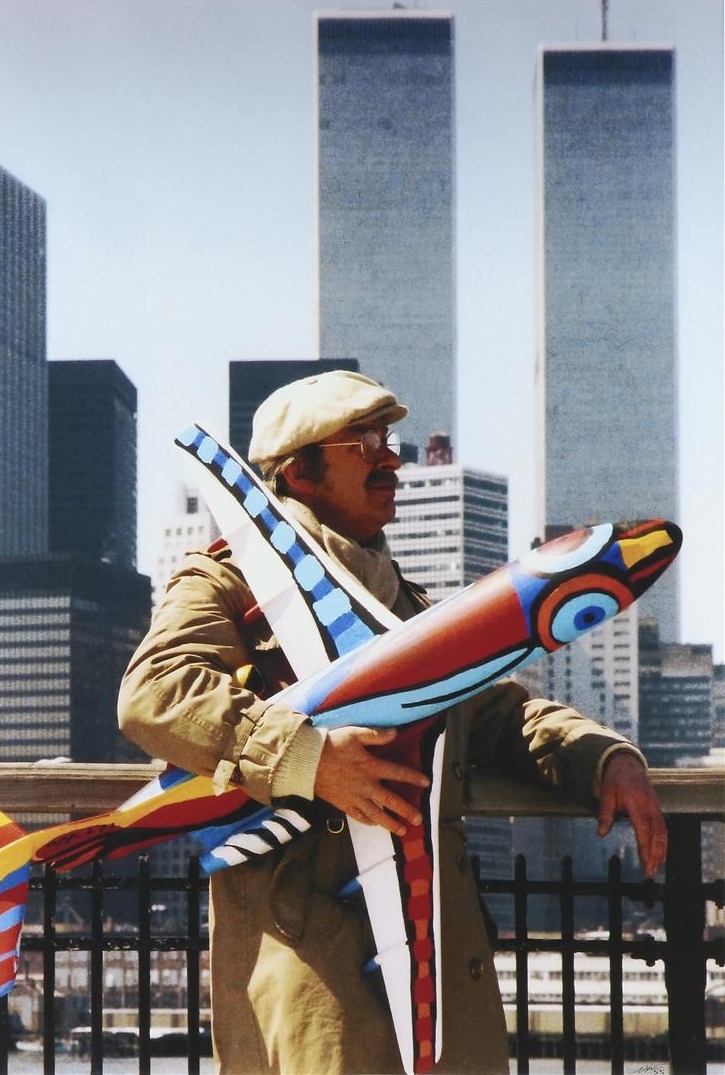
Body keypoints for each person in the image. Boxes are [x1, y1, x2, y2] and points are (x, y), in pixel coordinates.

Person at [118, 370, 667, 1075]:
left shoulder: (408, 608)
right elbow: (155, 692)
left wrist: (604, 757)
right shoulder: (228, 580)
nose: (391, 458)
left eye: (389, 439)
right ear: (300, 470)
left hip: (438, 962)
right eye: (364, 442)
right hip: (318, 969)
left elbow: (502, 712)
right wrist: (308, 757)